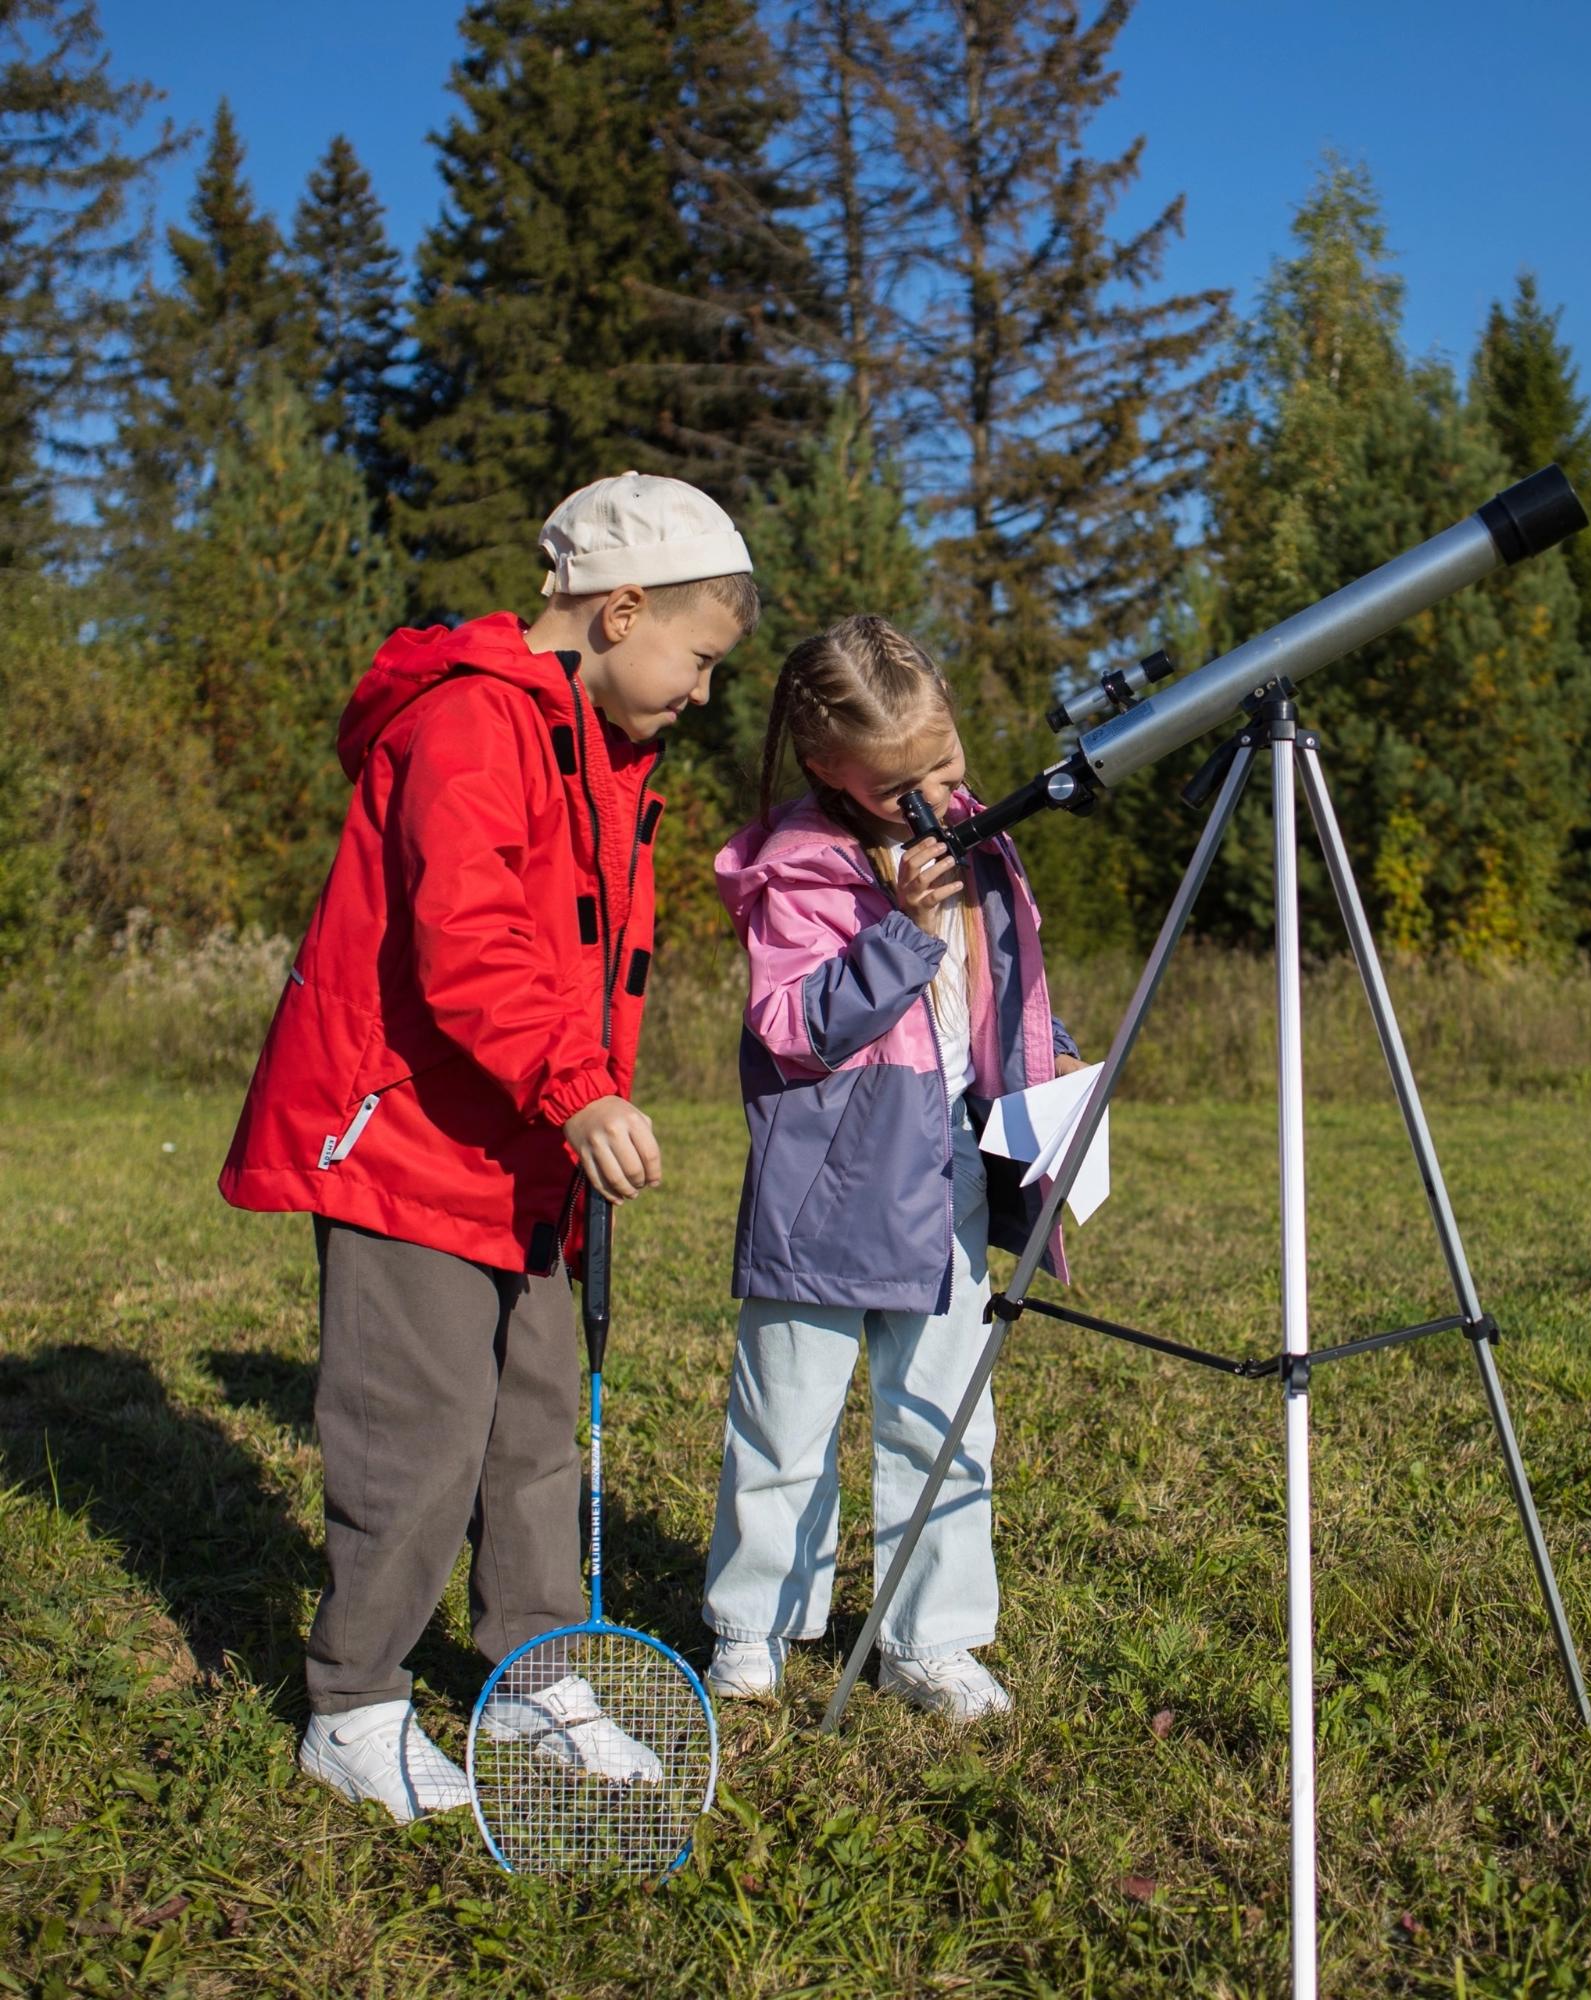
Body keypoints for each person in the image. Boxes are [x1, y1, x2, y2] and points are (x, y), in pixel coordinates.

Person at [218, 473, 757, 1820]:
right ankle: (355, 1704)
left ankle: (531, 1672)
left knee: (529, 1429)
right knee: (421, 1431)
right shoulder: (471, 722)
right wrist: (576, 1087)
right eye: (695, 659)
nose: (698, 694)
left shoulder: (598, 751)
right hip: (411, 1142)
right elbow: (470, 944)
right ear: (621, 609)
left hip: (519, 1155)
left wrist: (570, 1107)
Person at [703, 614, 1084, 1719]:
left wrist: (1048, 1052)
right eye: (899, 783)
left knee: (946, 1412)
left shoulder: (983, 838)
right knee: (784, 1418)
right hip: (824, 1183)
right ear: (828, 768)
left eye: (947, 767)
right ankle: (755, 1624)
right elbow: (789, 1022)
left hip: (946, 1163)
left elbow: (1004, 976)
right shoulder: (797, 865)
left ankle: (934, 1637)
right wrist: (900, 933)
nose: (932, 797)